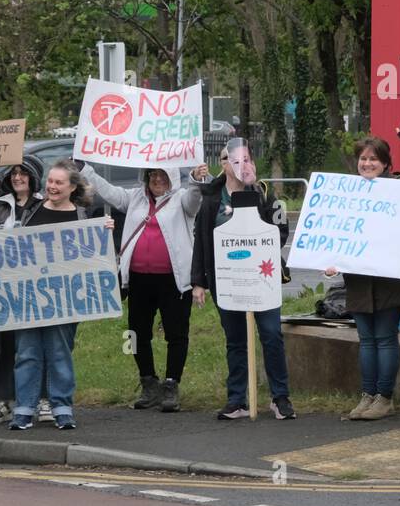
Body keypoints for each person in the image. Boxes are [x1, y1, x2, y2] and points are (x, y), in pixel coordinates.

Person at [0, 159, 109, 431]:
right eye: (50, 182)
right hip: (28, 298)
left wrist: (104, 234)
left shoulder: (83, 217)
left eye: (59, 183)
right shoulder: (31, 210)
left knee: (59, 353)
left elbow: (93, 257)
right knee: (27, 352)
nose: (52, 187)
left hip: (66, 299)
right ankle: (24, 409)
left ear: (72, 187)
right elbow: (10, 244)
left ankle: (62, 408)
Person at [323, 121, 400, 421]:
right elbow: (335, 230)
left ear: (385, 164)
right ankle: (367, 395)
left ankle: (384, 398)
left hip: (389, 281)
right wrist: (331, 259)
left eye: (374, 159)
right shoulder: (348, 193)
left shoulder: (399, 188)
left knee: (385, 338)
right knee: (366, 339)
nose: (367, 163)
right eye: (363, 159)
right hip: (358, 282)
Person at [79, 160, 207, 412]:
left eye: (163, 175)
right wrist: (85, 169)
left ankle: (171, 384)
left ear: (172, 177)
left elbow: (195, 200)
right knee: (136, 334)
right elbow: (107, 190)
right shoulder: (135, 197)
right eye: (152, 175)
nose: (157, 179)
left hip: (174, 281)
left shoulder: (181, 199)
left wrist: (195, 179)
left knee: (176, 334)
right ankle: (148, 381)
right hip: (138, 279)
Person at [190, 141, 295, 420]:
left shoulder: (264, 194)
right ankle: (237, 399)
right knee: (235, 340)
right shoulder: (212, 199)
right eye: (232, 159)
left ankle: (280, 397)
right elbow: (201, 240)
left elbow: (280, 229)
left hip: (262, 277)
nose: (239, 163)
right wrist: (198, 281)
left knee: (271, 335)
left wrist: (257, 247)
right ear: (222, 164)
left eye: (245, 158)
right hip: (228, 281)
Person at [0, 155, 46, 425]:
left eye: (23, 173)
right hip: (1, 288)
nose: (17, 178)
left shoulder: (44, 206)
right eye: (13, 173)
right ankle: (1, 400)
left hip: (33, 286)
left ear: (33, 176)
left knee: (37, 342)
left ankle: (42, 398)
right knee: (1, 344)